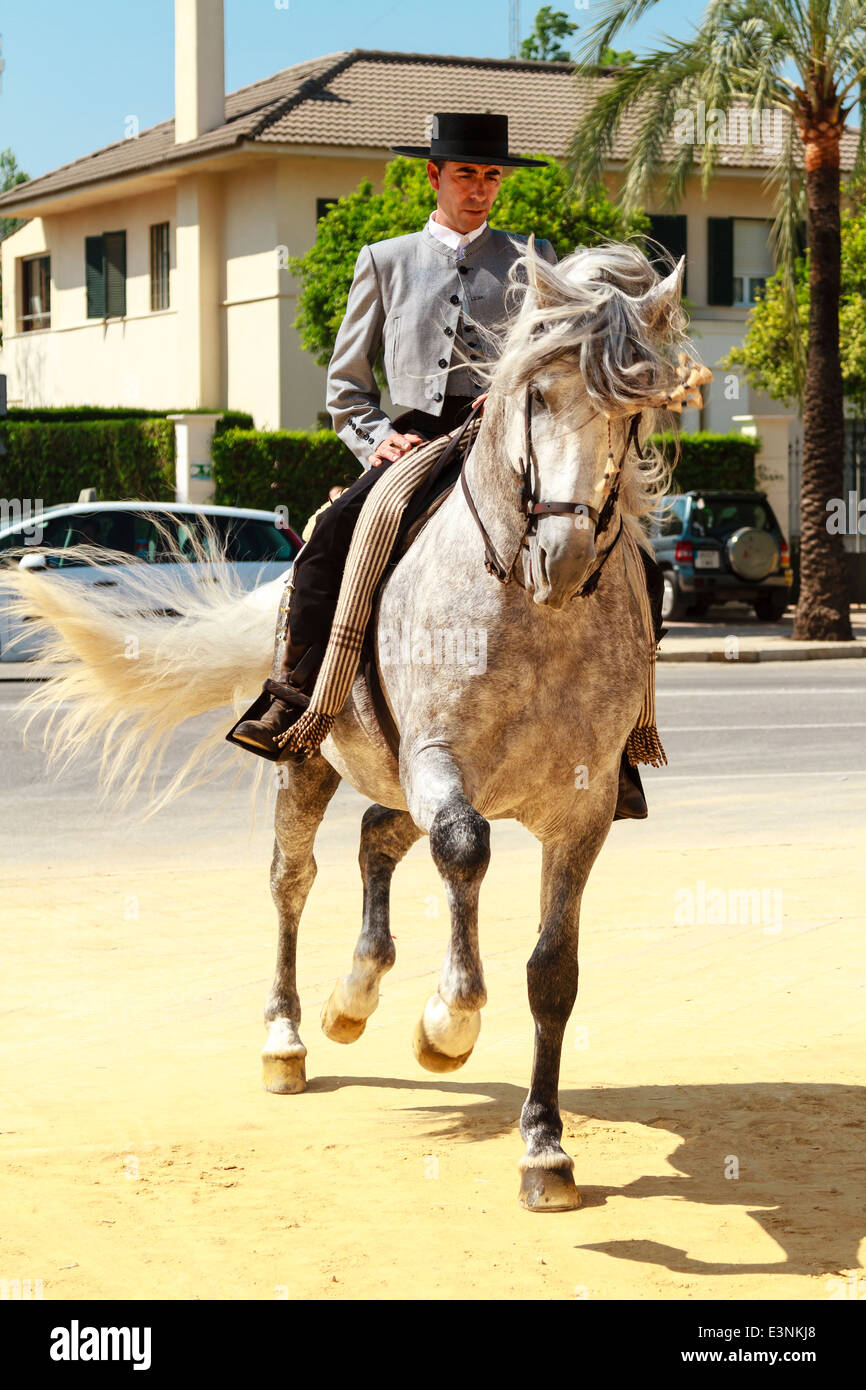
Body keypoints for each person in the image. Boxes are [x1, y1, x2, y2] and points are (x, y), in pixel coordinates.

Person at [227, 112, 649, 818]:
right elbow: (345, 387)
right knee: (330, 536)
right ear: (434, 176)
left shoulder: (533, 260)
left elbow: (557, 358)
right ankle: (296, 699)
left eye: (490, 177)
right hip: (417, 442)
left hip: (510, 441)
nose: (481, 189)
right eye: (466, 176)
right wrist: (373, 439)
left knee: (634, 556)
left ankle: (623, 744)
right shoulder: (383, 260)